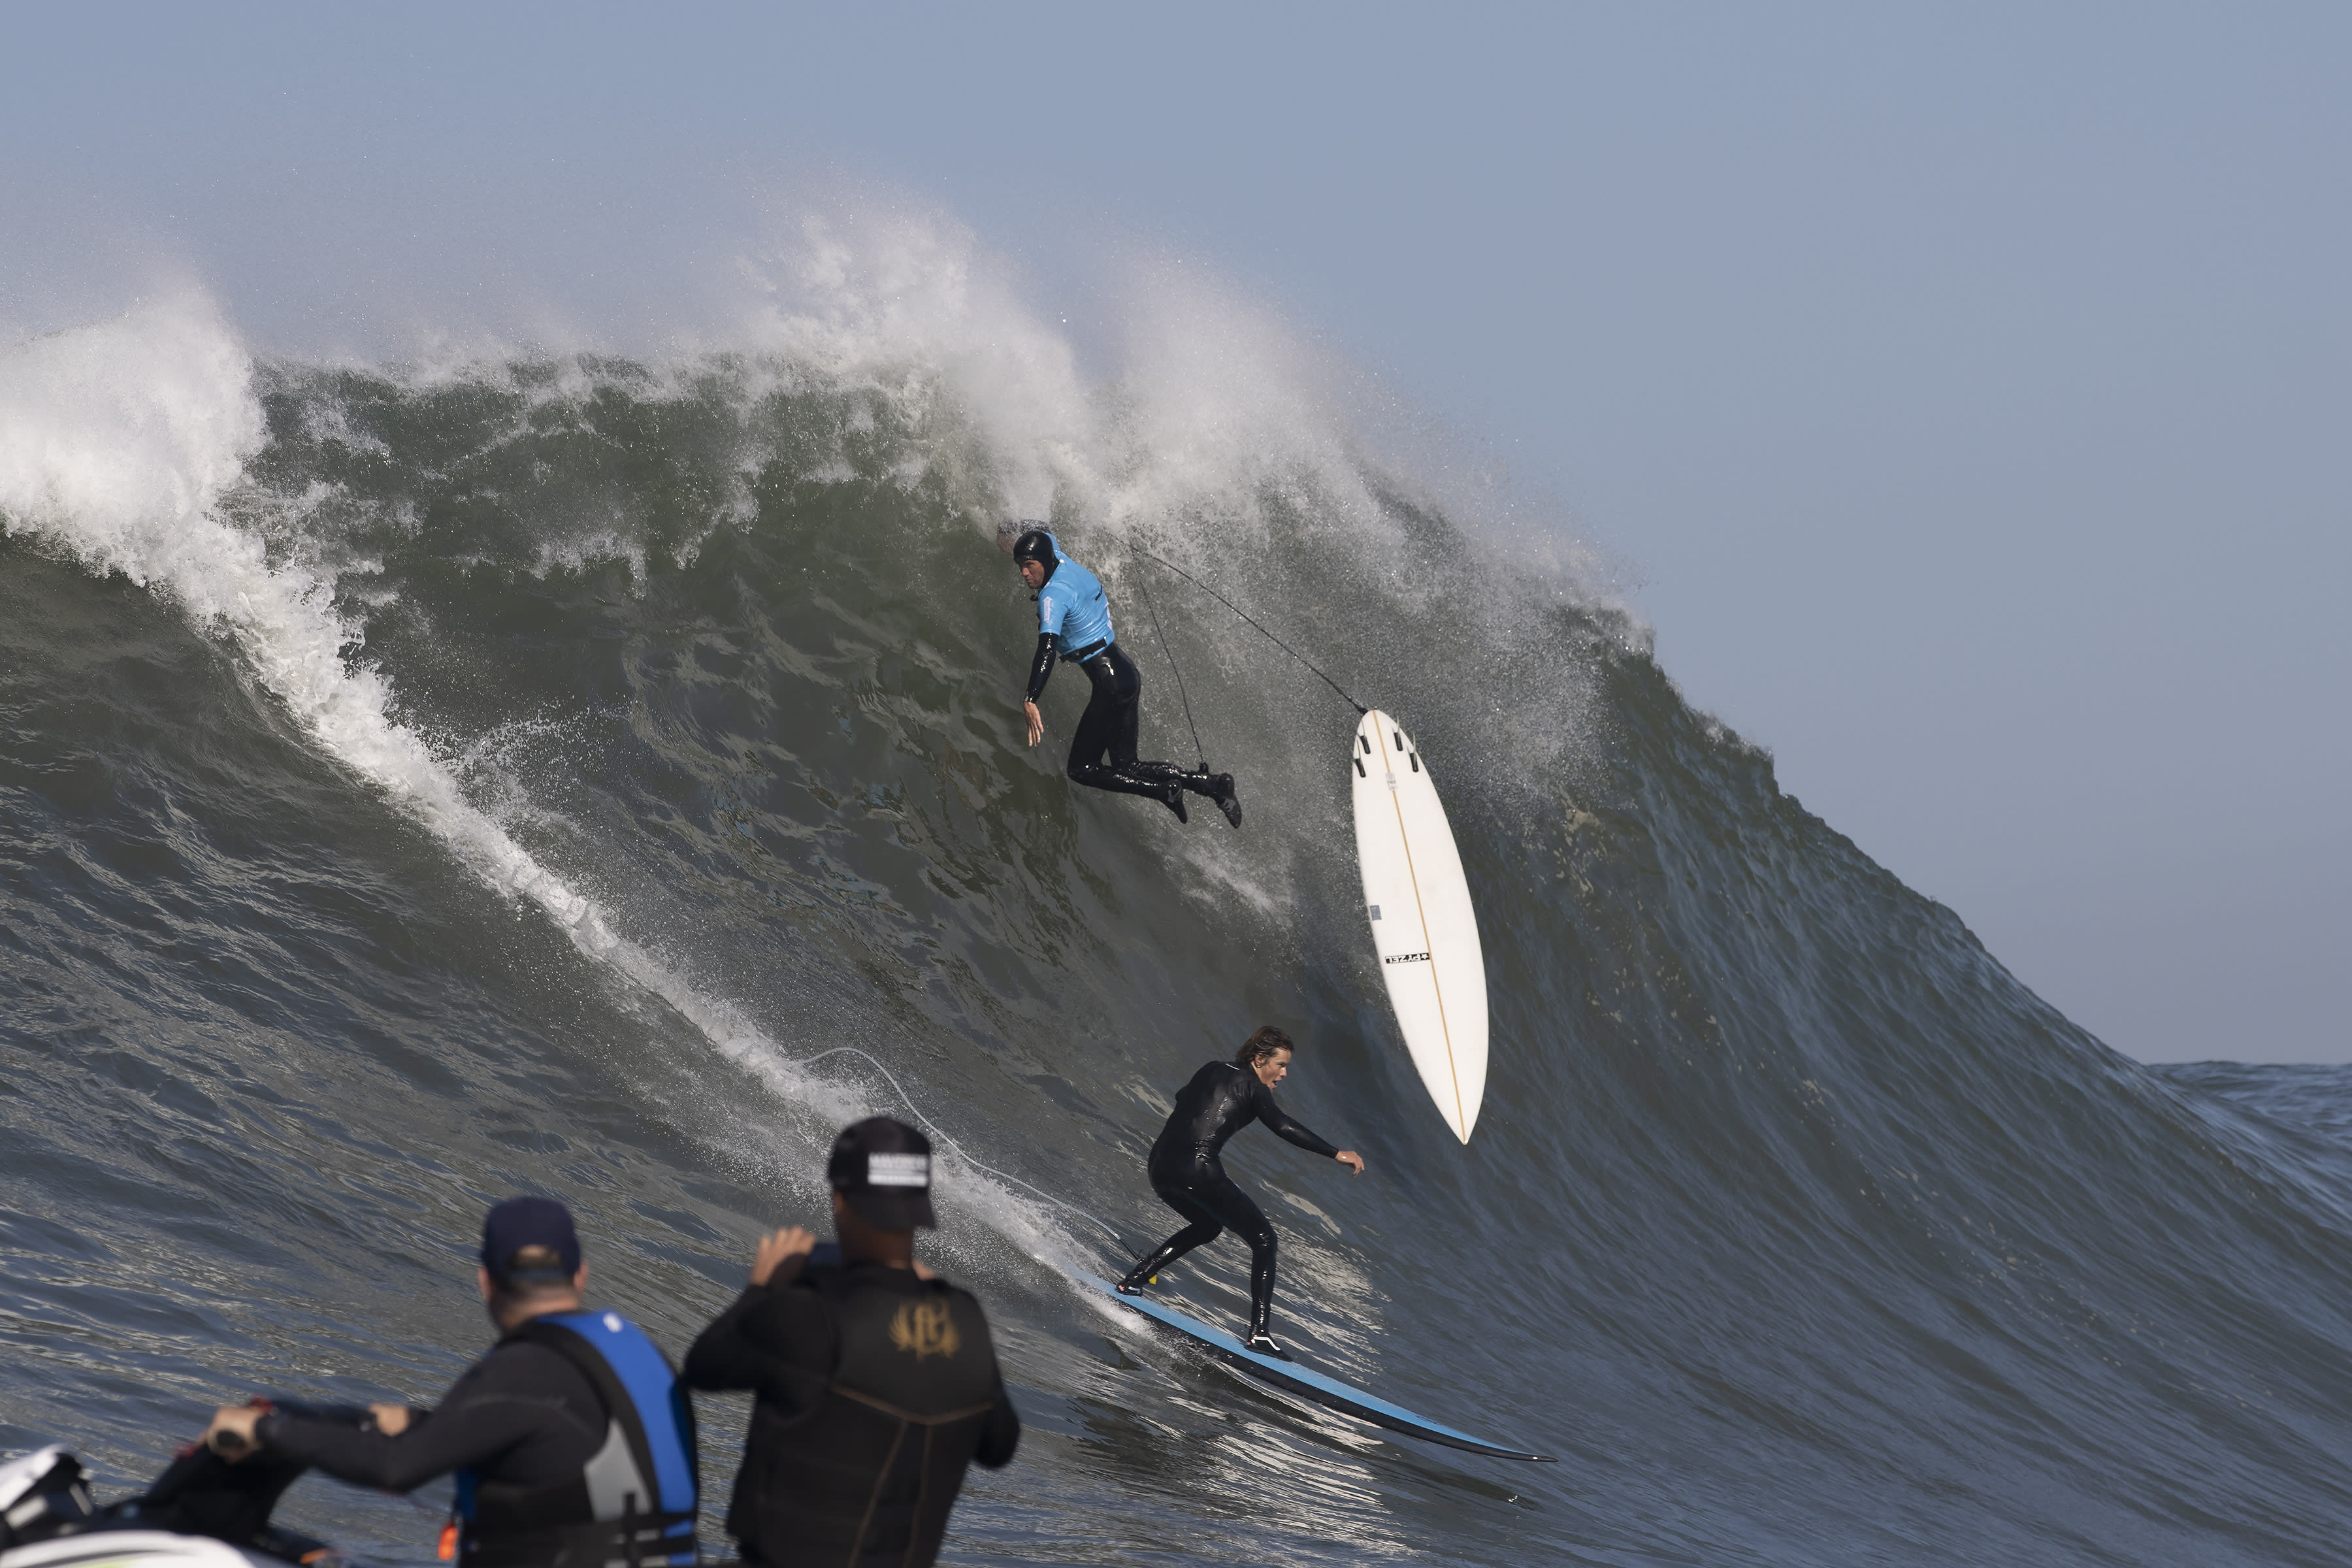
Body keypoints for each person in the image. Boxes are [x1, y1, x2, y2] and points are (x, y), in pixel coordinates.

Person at [201, 1198, 697, 1568]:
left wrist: (264, 1429)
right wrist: (429, 1425)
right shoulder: (646, 1356)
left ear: (485, 1281)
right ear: (581, 1275)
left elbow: (396, 1468)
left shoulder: (521, 1368)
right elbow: (565, 1442)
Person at [685, 1117, 1018, 1568]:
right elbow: (999, 1447)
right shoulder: (967, 1321)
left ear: (840, 1200)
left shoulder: (808, 1316)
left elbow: (703, 1366)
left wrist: (762, 1288)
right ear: (920, 1207)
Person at [1117, 1026, 1366, 1359]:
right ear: (1259, 1059)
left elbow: (1182, 1096)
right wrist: (1336, 1153)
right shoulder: (1253, 1087)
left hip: (1160, 1166)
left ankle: (1135, 1280)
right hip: (1198, 1168)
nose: (1284, 1073)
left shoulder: (1212, 1068)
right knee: (1265, 1239)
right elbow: (1282, 1125)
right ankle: (1260, 1334)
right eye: (1280, 1065)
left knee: (1208, 1226)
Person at [997, 521, 1243, 828]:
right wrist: (1007, 530)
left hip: (1109, 683)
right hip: (1125, 674)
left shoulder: (1053, 597)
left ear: (1044, 561)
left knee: (1082, 769)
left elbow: (1046, 649)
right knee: (1128, 765)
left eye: (1029, 565)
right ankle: (1212, 784)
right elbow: (1043, 530)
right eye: (1020, 565)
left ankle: (1163, 792)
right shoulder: (1059, 557)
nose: (1024, 573)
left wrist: (1031, 699)